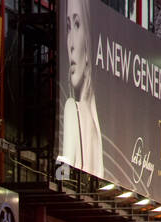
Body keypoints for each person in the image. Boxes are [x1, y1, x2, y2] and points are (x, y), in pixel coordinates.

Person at [61, 0, 103, 177]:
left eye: (77, 25)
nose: (70, 44)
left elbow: (61, 175)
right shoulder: (96, 127)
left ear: (89, 41)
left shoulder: (72, 108)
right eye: (68, 26)